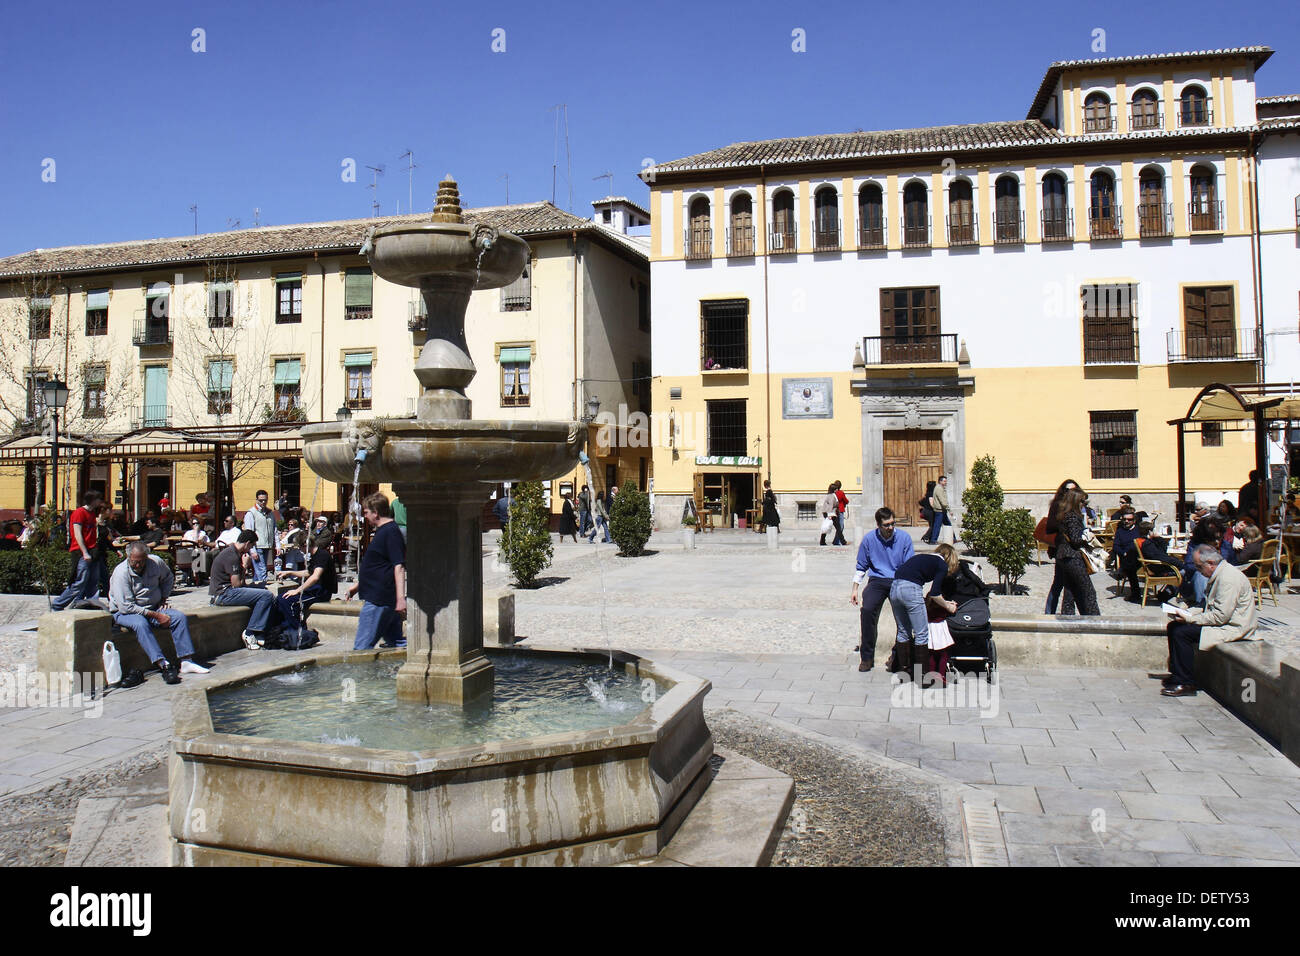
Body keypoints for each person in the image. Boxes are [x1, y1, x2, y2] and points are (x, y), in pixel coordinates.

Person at [109, 542, 209, 684]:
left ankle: (186, 661)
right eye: (134, 562)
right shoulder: (121, 573)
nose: (138, 565)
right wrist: (156, 615)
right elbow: (126, 607)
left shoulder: (155, 562)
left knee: (178, 617)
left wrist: (163, 598)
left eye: (141, 561)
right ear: (128, 557)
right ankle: (163, 664)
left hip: (153, 607)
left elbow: (168, 577)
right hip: (126, 613)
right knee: (140, 623)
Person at [1163, 545, 1257, 697]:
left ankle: (1186, 682)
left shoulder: (1228, 579)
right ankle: (1177, 675)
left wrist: (1191, 619)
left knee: (1182, 633)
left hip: (1233, 627)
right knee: (1174, 626)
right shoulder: (1220, 574)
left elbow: (1221, 616)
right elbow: (1208, 606)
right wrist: (1186, 612)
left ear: (1211, 563)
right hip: (1223, 623)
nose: (1199, 571)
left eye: (1200, 567)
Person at [849, 507, 915, 672]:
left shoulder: (904, 538)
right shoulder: (869, 540)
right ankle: (866, 657)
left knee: (903, 616)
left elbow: (910, 566)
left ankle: (897, 656)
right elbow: (861, 566)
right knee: (868, 610)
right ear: (878, 525)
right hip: (877, 580)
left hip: (898, 579)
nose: (891, 528)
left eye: (893, 523)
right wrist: (855, 589)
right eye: (886, 525)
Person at [888, 544, 961, 683]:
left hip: (894, 588)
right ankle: (923, 677)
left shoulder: (922, 557)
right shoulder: (941, 564)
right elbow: (935, 594)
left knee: (903, 631)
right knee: (922, 633)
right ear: (949, 557)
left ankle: (905, 673)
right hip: (911, 589)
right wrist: (948, 606)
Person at [348, 493, 407, 650]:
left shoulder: (391, 531)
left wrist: (401, 598)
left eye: (366, 512)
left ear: (376, 512)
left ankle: (361, 675)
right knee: (396, 644)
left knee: (361, 648)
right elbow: (378, 565)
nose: (364, 516)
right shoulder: (384, 530)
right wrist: (358, 586)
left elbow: (399, 566)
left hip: (378, 599)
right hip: (381, 597)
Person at [210, 530, 281, 650]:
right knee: (266, 596)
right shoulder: (231, 556)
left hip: (227, 592)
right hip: (223, 594)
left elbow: (241, 584)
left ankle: (260, 632)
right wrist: (245, 566)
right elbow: (237, 585)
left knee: (265, 593)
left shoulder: (234, 552)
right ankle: (249, 632)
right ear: (247, 543)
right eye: (252, 546)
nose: (251, 549)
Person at [49, 489, 105, 611]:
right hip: (80, 552)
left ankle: (91, 604)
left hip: (92, 550)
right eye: (98, 499)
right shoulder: (79, 513)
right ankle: (58, 604)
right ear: (93, 500)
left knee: (93, 581)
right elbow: (77, 533)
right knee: (79, 581)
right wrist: (84, 552)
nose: (100, 502)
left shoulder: (91, 513)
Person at [1051, 488, 1099, 615]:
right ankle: (1095, 619)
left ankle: (1068, 616)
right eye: (1083, 501)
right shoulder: (1072, 517)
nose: (1085, 504)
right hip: (1072, 557)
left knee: (1070, 591)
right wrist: (1087, 538)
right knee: (1088, 590)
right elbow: (1075, 540)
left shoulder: (1064, 515)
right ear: (1076, 501)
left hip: (1063, 556)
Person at [277, 531, 336, 630]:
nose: (299, 550)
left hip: (321, 592)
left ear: (305, 545)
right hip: (314, 589)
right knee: (280, 598)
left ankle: (298, 630)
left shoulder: (322, 555)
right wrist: (290, 573)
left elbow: (315, 577)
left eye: (299, 547)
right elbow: (309, 572)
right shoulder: (315, 555)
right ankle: (284, 627)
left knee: (288, 601)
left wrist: (297, 590)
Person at [1043, 479, 1084, 614]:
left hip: (1073, 551)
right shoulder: (1057, 506)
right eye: (1068, 490)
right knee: (1058, 583)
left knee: (1069, 584)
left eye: (1074, 490)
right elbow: (1050, 527)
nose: (1070, 493)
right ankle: (1049, 612)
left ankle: (1068, 611)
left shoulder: (1078, 506)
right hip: (1061, 549)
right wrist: (1064, 525)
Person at [1181, 517, 1224, 605]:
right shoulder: (1195, 545)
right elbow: (1189, 565)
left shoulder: (1224, 544)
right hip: (1200, 577)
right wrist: (1203, 567)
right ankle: (1202, 605)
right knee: (1201, 575)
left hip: (1220, 575)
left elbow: (1231, 562)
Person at [243, 489, 278, 570]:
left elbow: (274, 529)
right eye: (261, 500)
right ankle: (262, 582)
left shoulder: (270, 513)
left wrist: (277, 545)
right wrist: (252, 550)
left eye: (265, 500)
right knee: (262, 571)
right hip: (257, 546)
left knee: (261, 570)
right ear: (256, 500)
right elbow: (249, 532)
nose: (263, 502)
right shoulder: (251, 513)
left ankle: (257, 582)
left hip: (267, 545)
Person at [928, 475, 953, 545]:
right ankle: (933, 540)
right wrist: (949, 510)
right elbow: (943, 501)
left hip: (942, 510)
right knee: (937, 526)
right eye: (944, 481)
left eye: (946, 481)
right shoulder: (939, 489)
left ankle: (953, 538)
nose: (946, 482)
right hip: (940, 510)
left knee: (948, 524)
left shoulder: (940, 488)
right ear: (940, 481)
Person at [832, 480, 849, 546]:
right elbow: (846, 500)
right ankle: (836, 541)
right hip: (840, 510)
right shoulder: (841, 493)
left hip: (833, 510)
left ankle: (836, 540)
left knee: (838, 527)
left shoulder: (832, 493)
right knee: (841, 526)